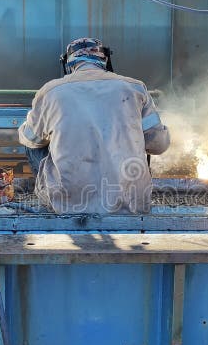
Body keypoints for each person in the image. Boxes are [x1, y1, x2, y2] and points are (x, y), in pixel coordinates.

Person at [18, 37, 170, 213]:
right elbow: (159, 145)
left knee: (33, 143)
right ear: (104, 60)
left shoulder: (51, 91)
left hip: (71, 205)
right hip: (130, 204)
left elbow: (30, 138)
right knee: (146, 139)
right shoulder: (135, 88)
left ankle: (55, 201)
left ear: (69, 63)